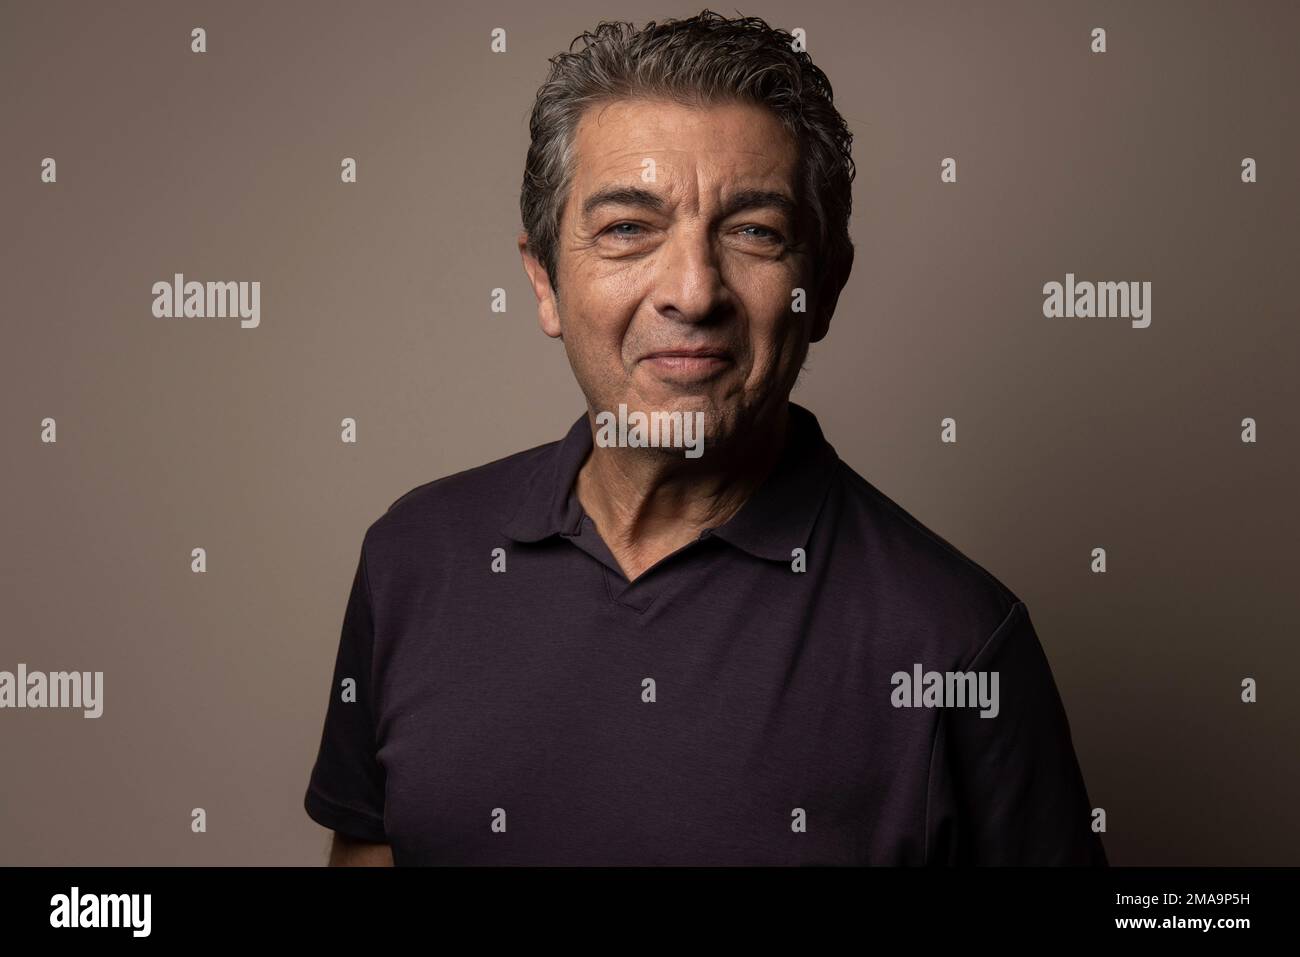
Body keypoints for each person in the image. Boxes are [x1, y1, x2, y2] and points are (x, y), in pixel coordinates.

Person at [304, 9, 1107, 866]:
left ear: (824, 288)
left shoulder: (957, 639)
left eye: (754, 231)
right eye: (627, 229)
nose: (692, 290)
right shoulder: (414, 558)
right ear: (543, 280)